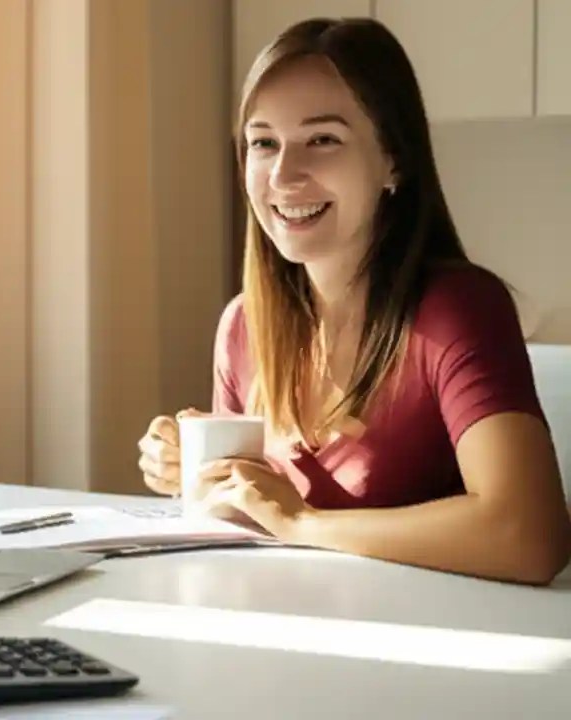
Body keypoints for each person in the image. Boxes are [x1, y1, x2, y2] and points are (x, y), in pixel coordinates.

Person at [137, 18, 571, 585]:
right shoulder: (243, 325)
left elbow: (531, 536)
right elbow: (246, 522)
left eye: (323, 140)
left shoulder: (457, 309)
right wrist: (193, 470)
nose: (284, 174)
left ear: (394, 160)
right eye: (263, 142)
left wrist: (302, 522)